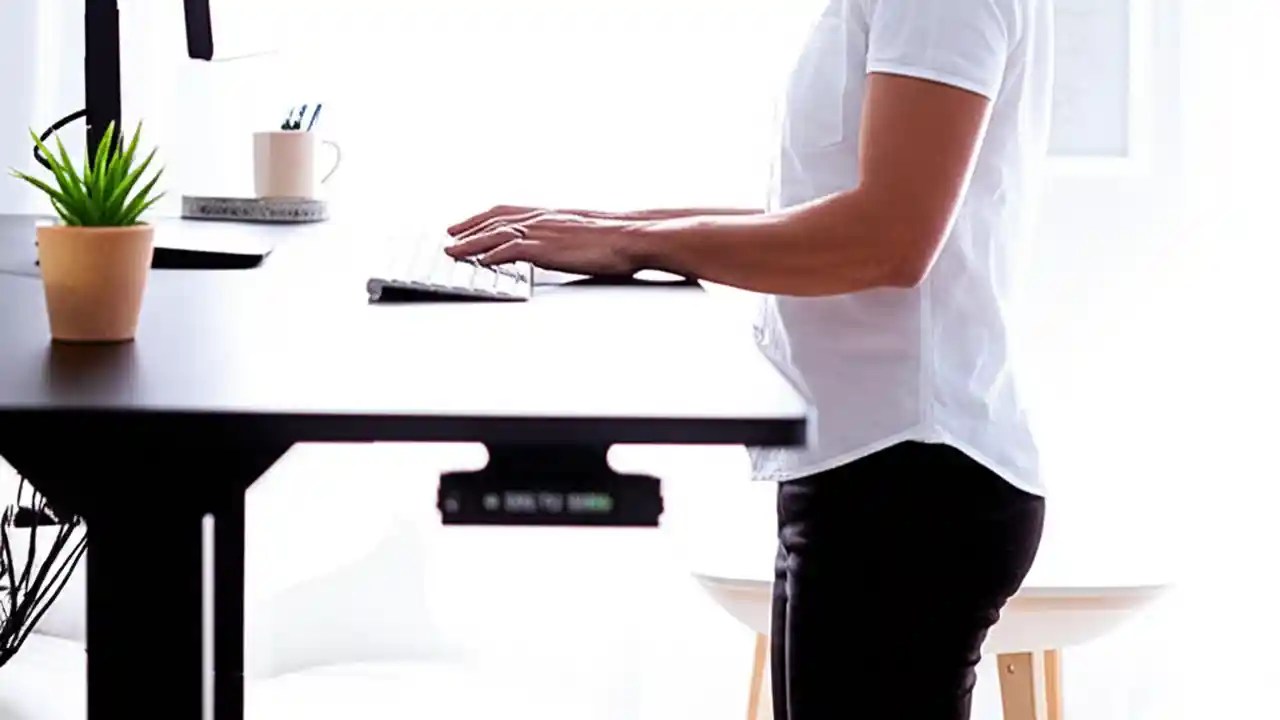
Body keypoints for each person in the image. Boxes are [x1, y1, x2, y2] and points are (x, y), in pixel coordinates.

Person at [447, 0, 1053, 716]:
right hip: (861, 469)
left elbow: (888, 239)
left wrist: (640, 245)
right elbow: (822, 209)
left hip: (909, 481)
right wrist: (609, 229)